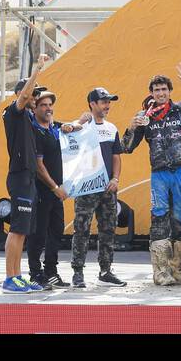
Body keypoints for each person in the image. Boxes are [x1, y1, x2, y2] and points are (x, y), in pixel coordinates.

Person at [122, 61, 181, 287]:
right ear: (151, 93)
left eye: (164, 89)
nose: (160, 93)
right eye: (156, 90)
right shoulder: (145, 117)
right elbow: (127, 147)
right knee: (159, 219)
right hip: (159, 175)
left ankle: (178, 270)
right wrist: (132, 127)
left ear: (170, 92)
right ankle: (160, 273)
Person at [0, 54, 50, 293]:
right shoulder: (14, 112)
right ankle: (10, 279)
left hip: (28, 178)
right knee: (17, 229)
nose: (36, 97)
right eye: (33, 92)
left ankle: (17, 276)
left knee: (23, 231)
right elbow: (23, 96)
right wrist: (37, 69)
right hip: (19, 176)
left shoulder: (30, 118)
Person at [70, 87, 128, 289]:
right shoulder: (82, 126)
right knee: (81, 229)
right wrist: (79, 122)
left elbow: (116, 156)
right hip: (86, 187)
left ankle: (106, 271)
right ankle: (78, 273)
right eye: (103, 102)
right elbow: (65, 132)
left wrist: (116, 178)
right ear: (92, 104)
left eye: (109, 102)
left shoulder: (112, 128)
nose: (107, 105)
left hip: (108, 188)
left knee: (108, 229)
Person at [26, 87, 82, 290]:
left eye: (50, 105)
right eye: (43, 105)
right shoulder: (34, 131)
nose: (48, 109)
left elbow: (73, 127)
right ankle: (35, 273)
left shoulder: (54, 127)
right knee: (38, 233)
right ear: (35, 108)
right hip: (43, 190)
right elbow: (39, 167)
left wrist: (81, 121)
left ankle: (51, 271)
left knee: (56, 231)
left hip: (58, 192)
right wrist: (54, 187)